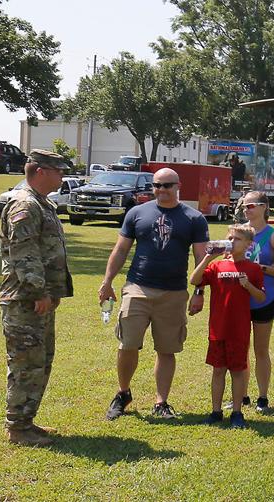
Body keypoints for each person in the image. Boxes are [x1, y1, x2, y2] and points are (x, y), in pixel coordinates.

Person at [99, 167, 209, 420]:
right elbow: (120, 250)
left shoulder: (194, 218)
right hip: (137, 287)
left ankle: (161, 402)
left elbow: (200, 257)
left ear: (178, 186)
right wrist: (107, 282)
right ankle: (123, 393)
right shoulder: (137, 213)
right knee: (128, 344)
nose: (161, 190)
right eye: (157, 185)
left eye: (167, 185)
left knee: (166, 349)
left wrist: (199, 291)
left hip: (174, 292)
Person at [0, 149, 73, 446]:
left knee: (40, 361)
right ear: (40, 171)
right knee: (26, 364)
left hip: (37, 298)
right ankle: (18, 428)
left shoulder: (42, 203)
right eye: (58, 171)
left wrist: (51, 292)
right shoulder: (25, 205)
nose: (63, 176)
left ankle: (26, 421)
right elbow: (24, 253)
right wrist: (38, 291)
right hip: (25, 300)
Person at [190, 224, 265, 428]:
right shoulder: (217, 266)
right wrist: (208, 258)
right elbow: (194, 280)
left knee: (238, 371)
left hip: (239, 329)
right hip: (218, 328)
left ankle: (237, 413)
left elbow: (261, 296)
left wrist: (248, 285)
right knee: (218, 370)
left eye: (237, 239)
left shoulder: (253, 268)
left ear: (249, 245)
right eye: (230, 238)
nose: (232, 242)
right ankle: (216, 412)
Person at [238, 191, 274, 412]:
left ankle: (262, 397)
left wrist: (262, 269)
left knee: (261, 350)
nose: (246, 209)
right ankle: (240, 396)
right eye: (244, 206)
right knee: (240, 350)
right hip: (239, 298)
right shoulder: (238, 232)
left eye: (251, 205)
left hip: (264, 299)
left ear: (264, 207)